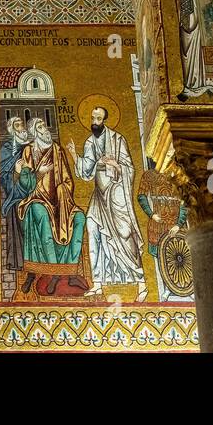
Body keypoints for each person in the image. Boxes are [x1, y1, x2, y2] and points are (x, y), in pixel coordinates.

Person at [69, 105, 146, 300]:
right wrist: (73, 155)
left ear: (105, 120)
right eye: (93, 118)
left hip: (116, 191)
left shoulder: (117, 140)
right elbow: (86, 172)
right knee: (92, 228)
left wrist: (115, 165)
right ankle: (98, 283)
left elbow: (129, 167)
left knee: (124, 233)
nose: (94, 122)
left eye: (98, 119)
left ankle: (142, 282)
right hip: (99, 194)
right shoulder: (89, 142)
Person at [16, 119, 88, 297]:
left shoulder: (57, 150)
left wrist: (63, 192)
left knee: (79, 218)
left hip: (60, 202)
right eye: (39, 127)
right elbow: (25, 184)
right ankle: (50, 272)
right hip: (37, 199)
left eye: (44, 126)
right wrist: (39, 173)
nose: (44, 130)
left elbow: (67, 179)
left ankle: (70, 272)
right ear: (34, 132)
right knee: (39, 213)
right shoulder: (28, 151)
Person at [0, 117, 32, 276]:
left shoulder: (32, 146)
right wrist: (17, 173)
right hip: (16, 195)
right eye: (17, 125)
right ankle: (21, 261)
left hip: (35, 192)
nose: (21, 128)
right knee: (19, 215)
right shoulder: (7, 148)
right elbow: (3, 174)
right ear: (12, 130)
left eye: (22, 125)